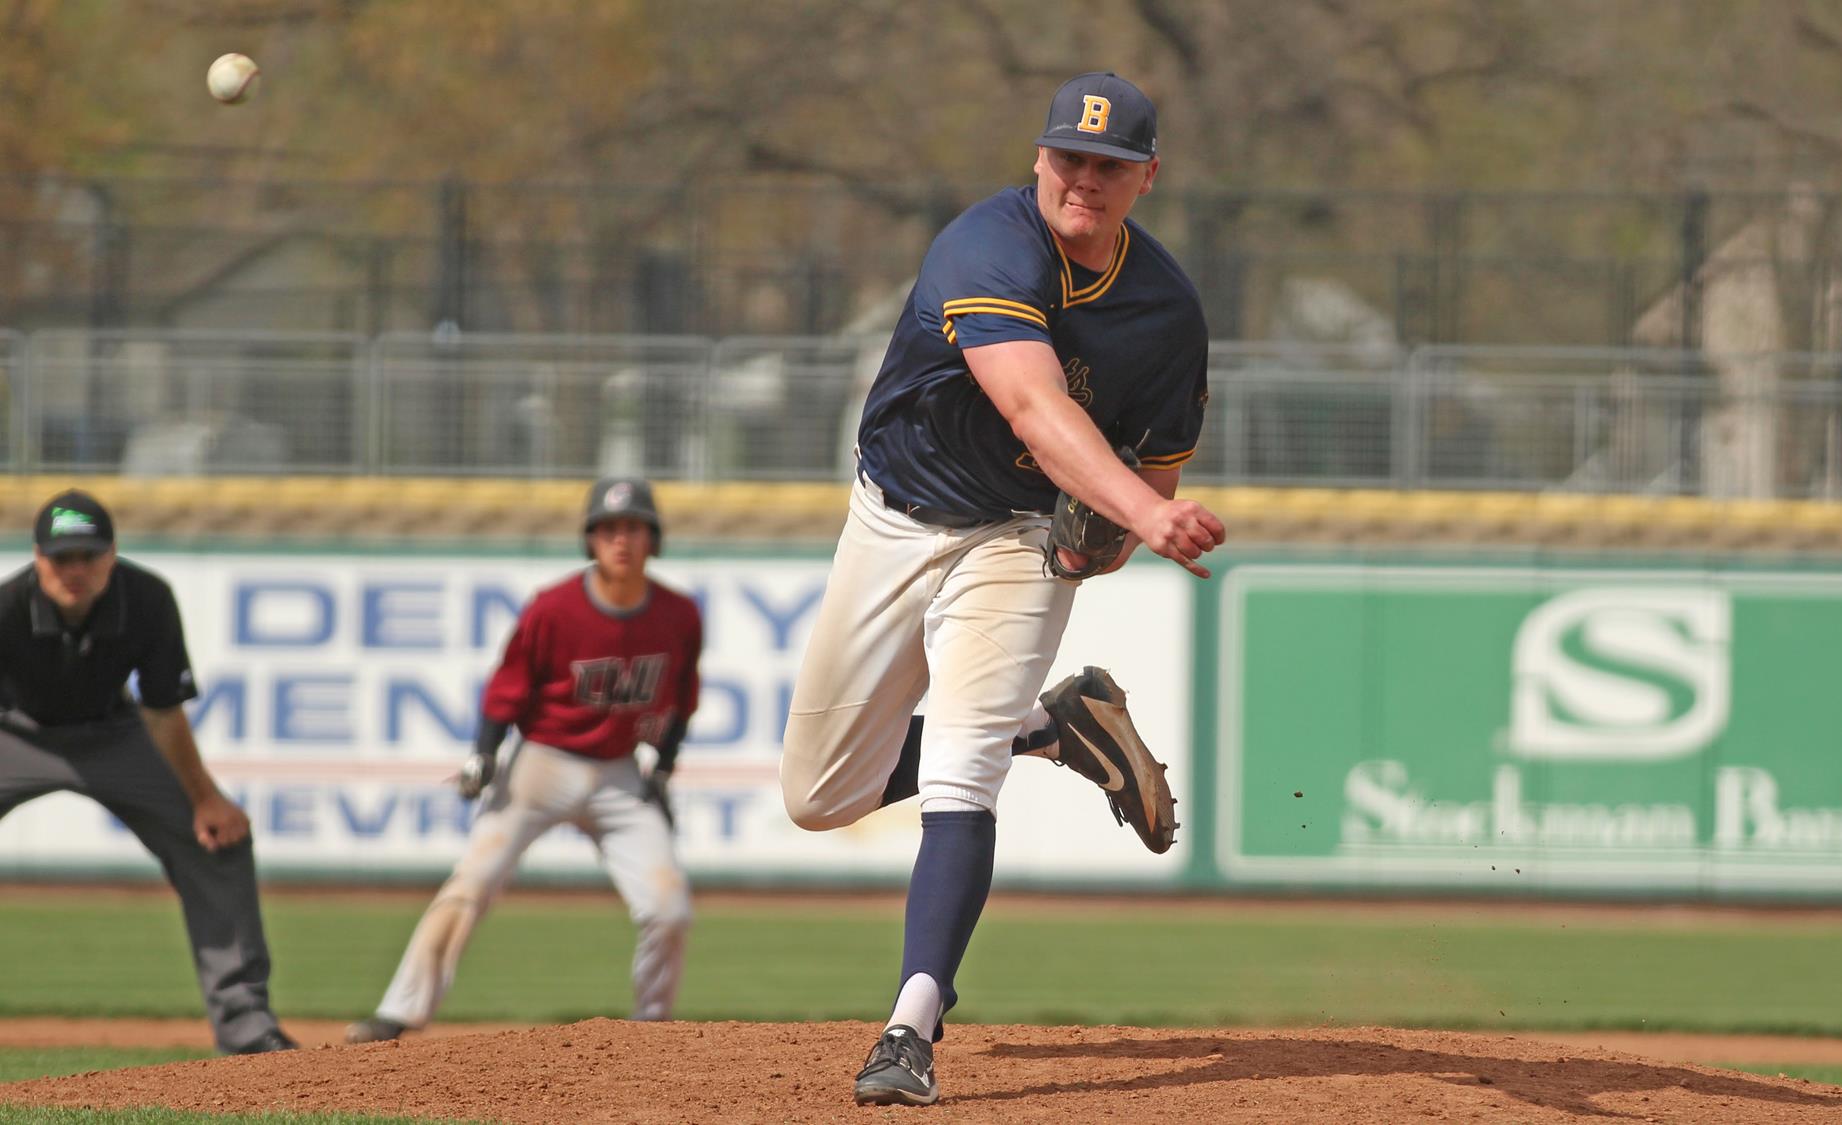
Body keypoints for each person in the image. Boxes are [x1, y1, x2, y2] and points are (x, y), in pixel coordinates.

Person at [780, 71, 1225, 1107]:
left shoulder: (1165, 312)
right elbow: (1031, 405)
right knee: (818, 797)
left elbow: (1149, 487)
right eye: (1070, 156)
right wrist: (1143, 512)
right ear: (1039, 158)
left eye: (1111, 164)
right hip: (894, 518)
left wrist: (1102, 544)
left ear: (1147, 177)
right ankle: (1052, 727)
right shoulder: (984, 245)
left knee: (960, 770)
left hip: (1017, 538)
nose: (1085, 178)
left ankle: (909, 1028)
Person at [345, 477, 701, 1044]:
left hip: (618, 771)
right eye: (608, 528)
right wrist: (484, 754)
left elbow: (681, 698)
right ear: (590, 539)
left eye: (634, 528)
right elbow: (508, 687)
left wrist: (661, 770)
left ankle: (651, 1024)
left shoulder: (678, 615)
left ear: (653, 540)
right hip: (541, 764)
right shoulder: (554, 608)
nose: (621, 540)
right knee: (472, 882)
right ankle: (400, 1012)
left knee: (669, 907)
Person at [0, 490, 296, 1055]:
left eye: (89, 556)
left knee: (218, 838)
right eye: (61, 558)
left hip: (115, 735)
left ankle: (247, 1029)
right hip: (16, 734)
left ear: (112, 554)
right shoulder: (7, 607)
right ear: (37, 559)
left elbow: (162, 711)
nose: (75, 570)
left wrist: (207, 799)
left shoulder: (146, 598)